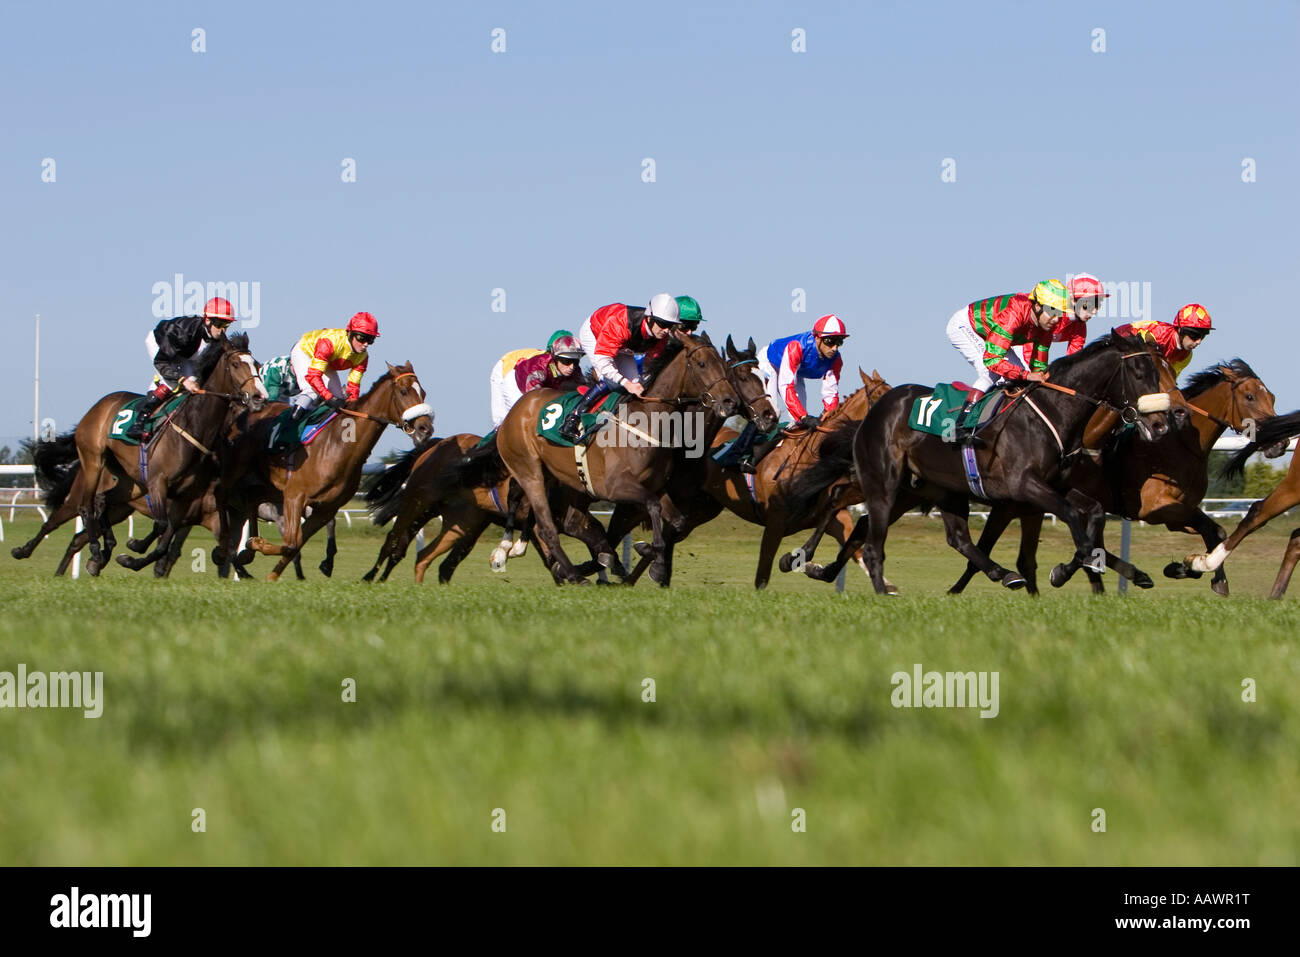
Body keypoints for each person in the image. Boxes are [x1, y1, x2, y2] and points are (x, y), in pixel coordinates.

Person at [946, 279, 1069, 443]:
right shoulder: (1014, 314)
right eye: (1052, 311)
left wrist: (1038, 376)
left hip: (995, 336)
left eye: (1059, 312)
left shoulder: (1047, 324)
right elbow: (992, 360)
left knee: (1020, 376)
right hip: (967, 327)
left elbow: (1038, 365)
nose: (1056, 319)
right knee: (990, 373)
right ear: (1038, 306)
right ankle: (961, 426)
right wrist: (1026, 375)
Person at [558, 293, 681, 441]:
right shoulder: (621, 323)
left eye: (670, 325)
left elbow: (650, 365)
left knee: (637, 382)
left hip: (623, 345)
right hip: (595, 333)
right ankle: (573, 419)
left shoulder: (662, 336)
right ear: (650, 318)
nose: (667, 330)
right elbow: (604, 363)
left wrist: (639, 383)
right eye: (663, 324)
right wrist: (626, 383)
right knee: (611, 380)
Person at [738, 314, 847, 473]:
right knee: (770, 413)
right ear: (817, 338)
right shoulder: (797, 347)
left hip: (794, 372)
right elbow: (785, 385)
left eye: (839, 342)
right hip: (770, 364)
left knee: (799, 422)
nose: (834, 348)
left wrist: (829, 418)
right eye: (830, 341)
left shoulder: (836, 360)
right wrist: (803, 416)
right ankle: (741, 455)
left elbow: (830, 393)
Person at [124, 297, 235, 440]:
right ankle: (138, 423)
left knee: (195, 383)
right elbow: (162, 361)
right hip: (161, 347)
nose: (222, 330)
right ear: (208, 320)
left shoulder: (217, 338)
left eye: (227, 325)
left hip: (185, 353)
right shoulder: (184, 331)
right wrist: (182, 380)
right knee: (172, 382)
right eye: (220, 324)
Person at [289, 311, 379, 419]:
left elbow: (353, 387)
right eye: (361, 338)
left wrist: (352, 406)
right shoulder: (329, 343)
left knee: (339, 398)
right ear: (350, 333)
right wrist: (328, 397)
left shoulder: (363, 357)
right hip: (304, 352)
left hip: (326, 362)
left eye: (370, 340)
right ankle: (291, 422)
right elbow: (313, 377)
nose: (365, 344)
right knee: (311, 391)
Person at [492, 331, 585, 428]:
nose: (571, 367)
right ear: (555, 358)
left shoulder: (575, 370)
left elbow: (583, 392)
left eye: (575, 362)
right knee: (515, 418)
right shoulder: (539, 367)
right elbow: (534, 398)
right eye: (567, 361)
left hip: (533, 375)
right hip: (512, 377)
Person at [1021, 272, 1107, 365]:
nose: (1094, 311)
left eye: (1097, 305)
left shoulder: (1079, 328)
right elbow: (1029, 348)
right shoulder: (1050, 311)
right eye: (1089, 304)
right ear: (1073, 300)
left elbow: (1074, 362)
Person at [1114, 303, 1214, 377]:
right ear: (1180, 330)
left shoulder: (1186, 356)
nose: (1199, 342)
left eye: (1203, 336)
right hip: (1118, 344)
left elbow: (1169, 379)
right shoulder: (1156, 336)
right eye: (1194, 335)